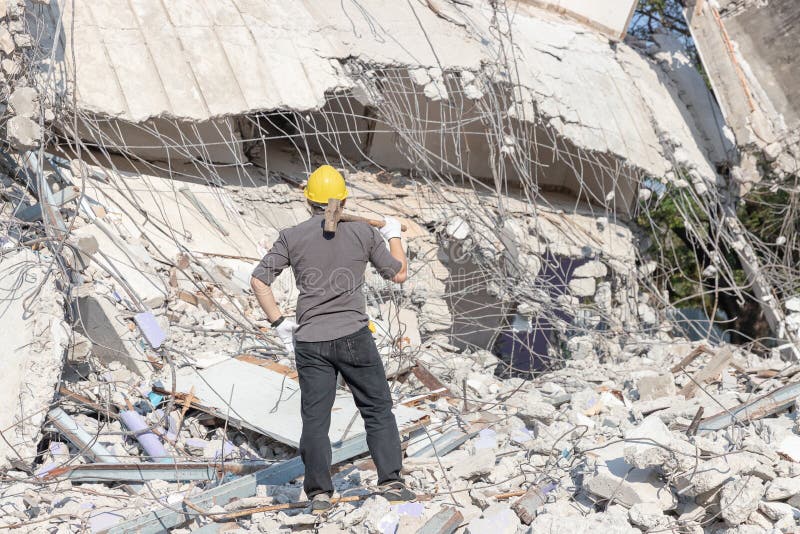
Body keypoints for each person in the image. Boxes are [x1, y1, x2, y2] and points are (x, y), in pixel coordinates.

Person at [250, 165, 415, 514]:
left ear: (307, 200)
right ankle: (392, 483)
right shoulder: (363, 232)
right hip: (354, 336)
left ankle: (320, 495)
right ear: (344, 200)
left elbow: (259, 281)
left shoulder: (291, 236)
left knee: (315, 420)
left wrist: (279, 322)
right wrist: (393, 234)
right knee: (377, 409)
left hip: (311, 341)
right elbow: (398, 273)